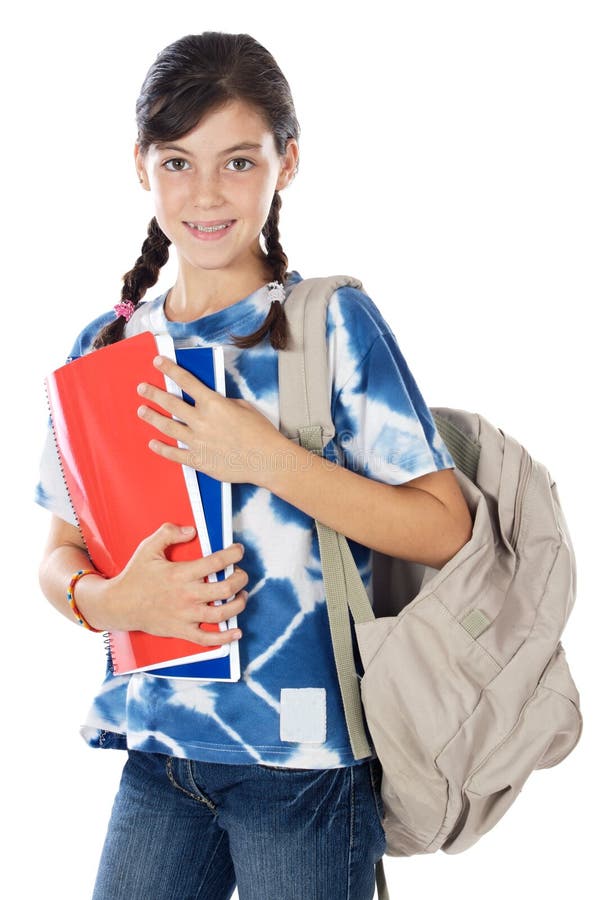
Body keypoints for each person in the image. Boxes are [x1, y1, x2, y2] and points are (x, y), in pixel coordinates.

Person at [36, 31, 473, 900]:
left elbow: (443, 527)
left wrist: (266, 457)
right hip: (160, 755)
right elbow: (59, 553)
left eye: (238, 161)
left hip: (304, 764)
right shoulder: (108, 345)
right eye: (177, 161)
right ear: (140, 166)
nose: (205, 194)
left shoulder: (330, 324)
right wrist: (106, 601)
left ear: (287, 161)